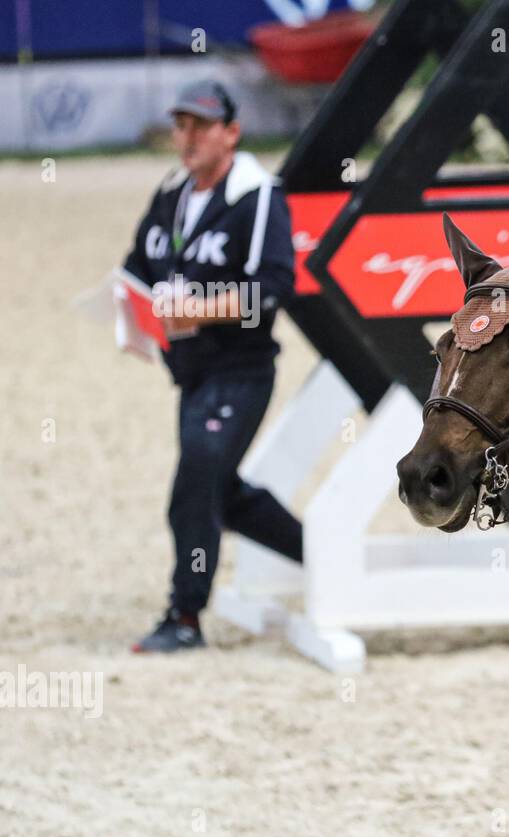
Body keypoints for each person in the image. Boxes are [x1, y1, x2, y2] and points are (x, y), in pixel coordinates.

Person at [121, 80, 302, 653]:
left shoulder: (259, 196)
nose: (189, 136)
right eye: (181, 125)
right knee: (219, 492)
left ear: (231, 132)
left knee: (194, 483)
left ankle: (185, 616)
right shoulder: (171, 193)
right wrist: (131, 312)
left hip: (242, 370)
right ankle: (323, 557)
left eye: (201, 125)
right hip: (192, 374)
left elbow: (274, 288)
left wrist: (197, 310)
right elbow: (136, 269)